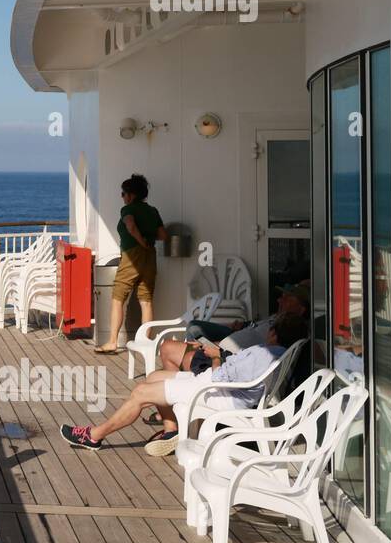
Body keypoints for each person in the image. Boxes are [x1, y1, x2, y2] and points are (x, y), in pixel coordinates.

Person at [60, 312, 307, 457]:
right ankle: (172, 430)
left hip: (213, 393)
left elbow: (220, 377)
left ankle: (94, 436)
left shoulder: (261, 354)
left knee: (140, 393)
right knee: (154, 377)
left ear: (274, 334)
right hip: (217, 387)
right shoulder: (275, 353)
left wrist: (215, 356)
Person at [158, 282, 309, 374]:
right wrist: (241, 326)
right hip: (226, 345)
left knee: (169, 347)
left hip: (226, 358)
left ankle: (179, 393)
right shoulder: (276, 318)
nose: (279, 299)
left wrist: (211, 348)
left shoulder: (287, 329)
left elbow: (254, 351)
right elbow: (255, 329)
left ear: (301, 309)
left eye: (288, 298)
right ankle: (177, 391)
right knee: (194, 328)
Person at [95, 174, 167, 354]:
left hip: (131, 255)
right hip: (150, 256)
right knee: (146, 300)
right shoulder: (153, 211)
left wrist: (140, 240)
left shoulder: (128, 210)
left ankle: (112, 342)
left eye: (123, 193)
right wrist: (147, 240)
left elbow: (130, 226)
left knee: (118, 297)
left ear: (131, 195)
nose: (122, 196)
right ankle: (146, 343)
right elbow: (163, 236)